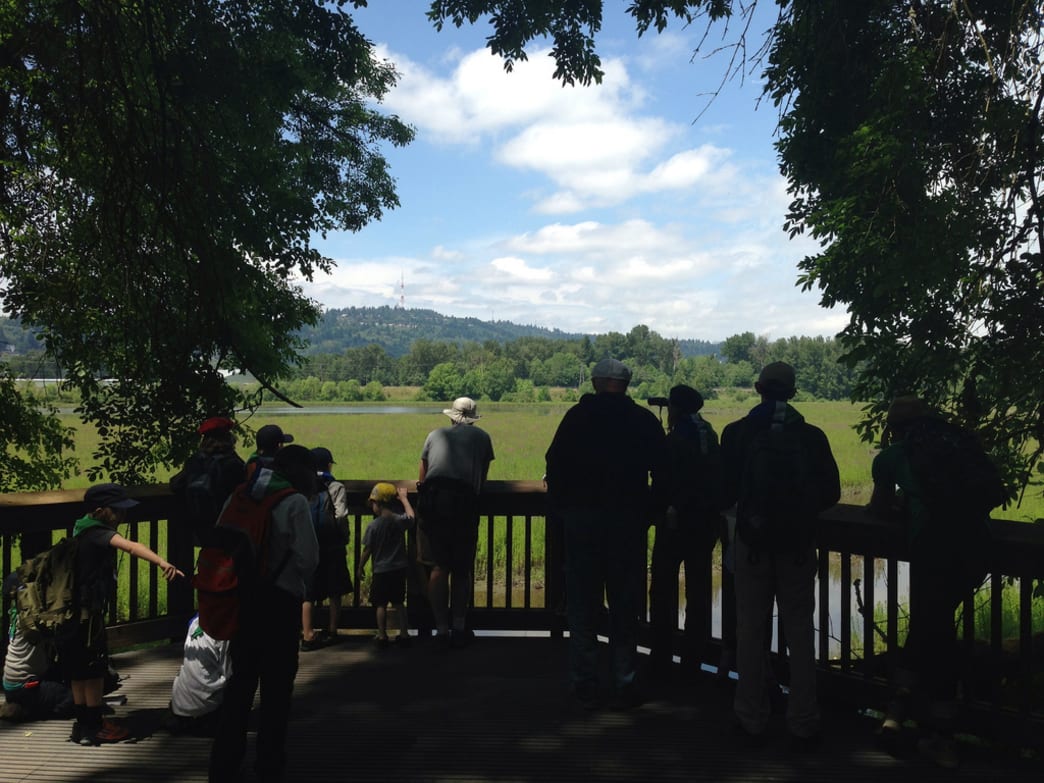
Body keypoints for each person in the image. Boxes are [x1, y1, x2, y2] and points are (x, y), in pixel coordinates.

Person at [869, 395, 1005, 768]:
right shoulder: (955, 443)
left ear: (893, 428)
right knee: (932, 630)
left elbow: (878, 509)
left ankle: (938, 738)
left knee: (936, 638)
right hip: (976, 551)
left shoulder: (893, 457)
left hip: (933, 551)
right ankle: (899, 719)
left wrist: (905, 508)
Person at [720, 362, 840, 749]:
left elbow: (723, 492)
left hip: (751, 544)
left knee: (750, 629)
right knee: (800, 631)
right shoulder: (812, 437)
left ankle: (750, 716)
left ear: (758, 389)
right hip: (798, 548)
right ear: (792, 392)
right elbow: (831, 492)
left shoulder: (736, 433)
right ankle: (803, 719)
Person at [544, 357, 666, 709]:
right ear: (625, 385)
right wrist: (648, 513)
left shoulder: (576, 418)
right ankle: (624, 681)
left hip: (582, 522)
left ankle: (584, 681)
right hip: (627, 523)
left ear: (596, 382)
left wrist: (564, 510)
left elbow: (555, 466)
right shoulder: (643, 420)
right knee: (625, 604)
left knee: (582, 604)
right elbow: (663, 472)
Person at [209, 444, 319, 783]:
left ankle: (224, 766)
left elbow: (219, 539)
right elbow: (308, 560)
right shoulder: (295, 502)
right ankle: (269, 765)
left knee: (239, 685)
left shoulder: (240, 495)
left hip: (241, 600)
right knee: (276, 691)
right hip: (280, 604)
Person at [62, 483, 184, 746]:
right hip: (88, 612)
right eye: (117, 511)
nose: (122, 516)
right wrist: (161, 562)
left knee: (78, 668)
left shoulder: (80, 527)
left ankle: (83, 723)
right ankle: (95, 725)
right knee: (93, 669)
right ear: (99, 511)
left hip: (73, 611)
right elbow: (130, 546)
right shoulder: (96, 533)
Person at [647, 384, 725, 682]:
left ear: (676, 408)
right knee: (698, 592)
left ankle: (661, 657)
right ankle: (693, 659)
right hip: (704, 526)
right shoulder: (709, 434)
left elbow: (663, 480)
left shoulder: (675, 438)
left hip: (674, 525)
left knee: (662, 591)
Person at [417, 396, 495, 648]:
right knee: (462, 570)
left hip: (434, 503)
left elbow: (423, 473)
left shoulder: (435, 435)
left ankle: (440, 629)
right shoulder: (482, 438)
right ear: (473, 418)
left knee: (439, 567)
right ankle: (459, 626)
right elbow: (481, 477)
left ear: (451, 416)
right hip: (464, 504)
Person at [300, 446, 353, 651]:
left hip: (309, 543)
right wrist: (344, 537)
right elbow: (341, 515)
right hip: (332, 544)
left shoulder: (305, 486)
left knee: (308, 593)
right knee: (335, 590)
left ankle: (308, 634)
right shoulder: (336, 486)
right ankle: (332, 631)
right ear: (329, 464)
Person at [2, 574, 73, 722]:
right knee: (74, 699)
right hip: (27, 686)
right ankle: (30, 711)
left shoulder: (15, 612)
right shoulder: (31, 619)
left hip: (12, 685)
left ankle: (22, 706)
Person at [170, 416, 246, 545]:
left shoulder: (195, 460)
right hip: (229, 530)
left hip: (200, 529)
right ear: (229, 439)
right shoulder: (234, 464)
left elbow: (176, 484)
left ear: (205, 440)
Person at [357, 483, 417, 647]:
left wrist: (360, 566)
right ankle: (404, 633)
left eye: (373, 503)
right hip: (398, 569)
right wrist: (405, 499)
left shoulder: (373, 526)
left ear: (378, 504)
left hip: (381, 570)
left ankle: (382, 635)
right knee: (399, 603)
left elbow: (367, 550)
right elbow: (411, 517)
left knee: (380, 604)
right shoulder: (399, 521)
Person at [167, 613, 231, 737]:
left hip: (179, 705)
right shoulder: (225, 632)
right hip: (207, 707)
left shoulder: (194, 623)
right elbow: (229, 674)